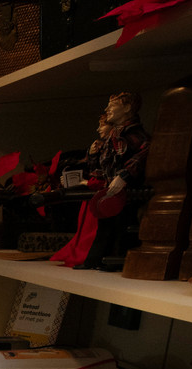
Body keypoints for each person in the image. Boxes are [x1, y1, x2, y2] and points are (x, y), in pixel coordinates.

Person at [52, 91, 149, 269]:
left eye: (112, 106)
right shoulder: (113, 138)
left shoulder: (133, 135)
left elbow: (145, 153)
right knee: (104, 228)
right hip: (109, 192)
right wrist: (92, 154)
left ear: (127, 108)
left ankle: (111, 261)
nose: (107, 109)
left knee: (120, 228)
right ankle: (94, 260)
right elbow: (100, 166)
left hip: (125, 194)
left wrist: (124, 175)